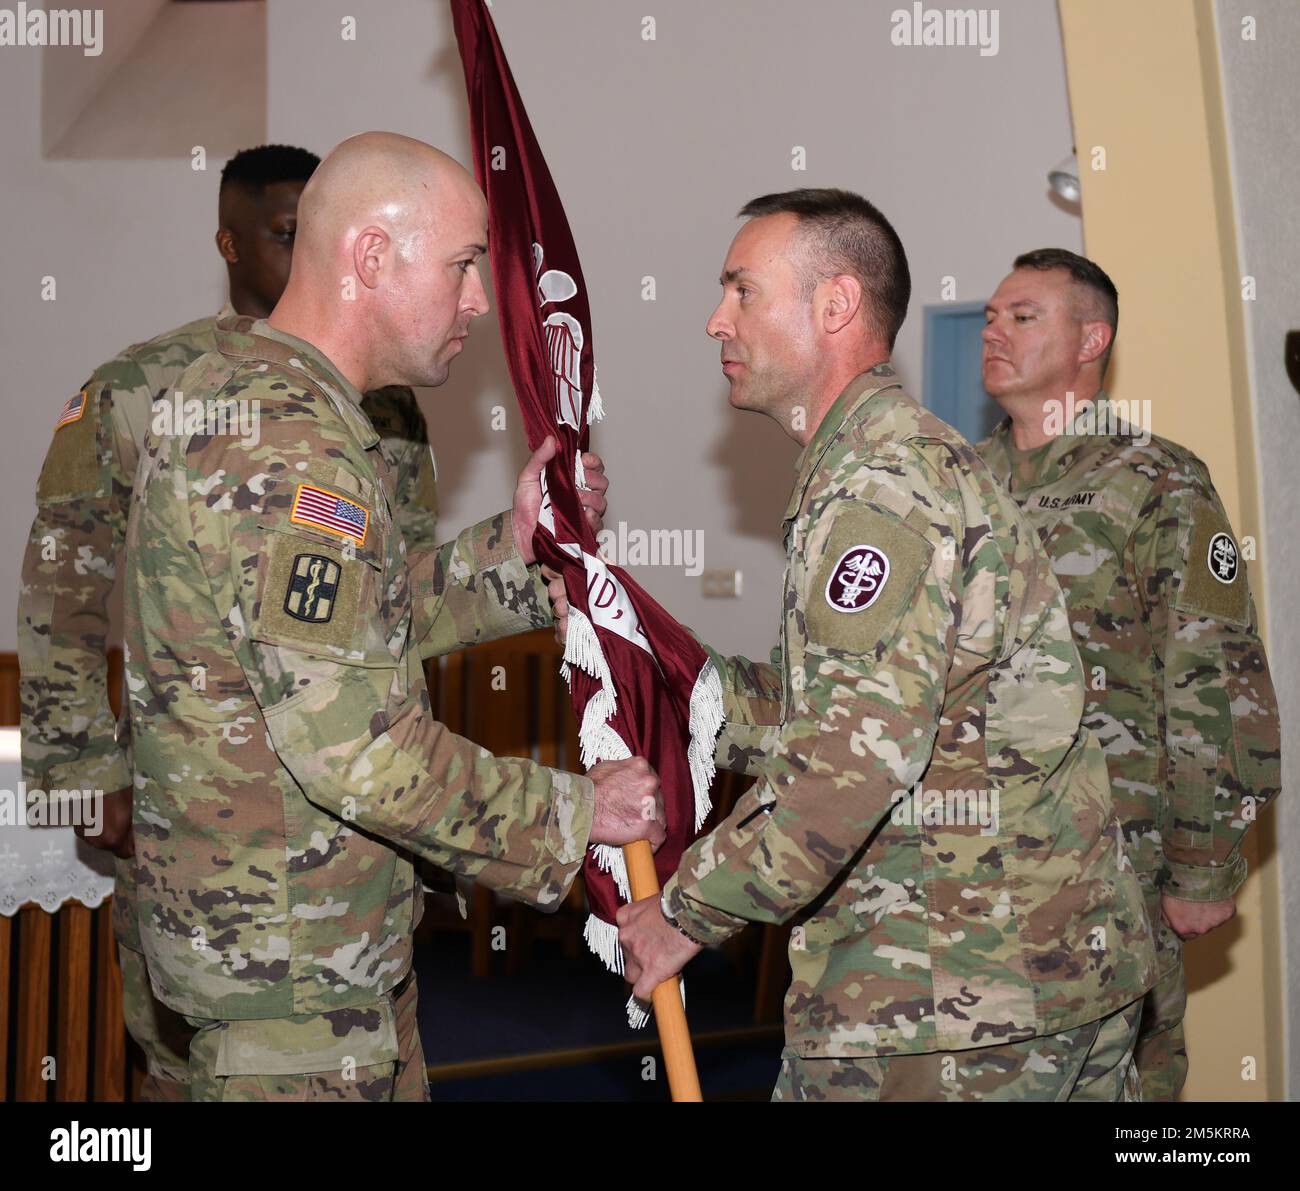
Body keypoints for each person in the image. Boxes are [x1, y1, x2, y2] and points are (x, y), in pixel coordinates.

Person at [122, 131, 664, 1103]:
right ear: (371, 256)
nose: (476, 302)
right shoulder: (294, 447)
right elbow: (357, 751)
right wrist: (580, 811)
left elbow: (356, 629)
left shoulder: (270, 402)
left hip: (310, 958)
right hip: (292, 987)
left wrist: (514, 543)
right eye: (461, 267)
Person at [607, 189, 1156, 1101]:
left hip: (949, 996)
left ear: (835, 307)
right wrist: (662, 668)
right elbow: (840, 707)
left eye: (742, 291)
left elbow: (846, 768)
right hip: (1037, 971)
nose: (716, 321)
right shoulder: (902, 460)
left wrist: (686, 911)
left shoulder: (877, 487)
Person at [17, 143, 441, 1101]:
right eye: (285, 235)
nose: (305, 256)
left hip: (350, 811)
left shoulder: (388, 405)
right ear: (228, 242)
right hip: (206, 806)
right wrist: (85, 775)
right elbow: (63, 585)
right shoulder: (140, 387)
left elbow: (401, 591)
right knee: (184, 1054)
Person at [974, 248, 1282, 1100]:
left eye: (1024, 315)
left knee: (1126, 1087)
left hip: (1118, 857)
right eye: (993, 316)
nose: (994, 330)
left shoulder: (1155, 480)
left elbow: (1215, 679)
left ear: (1091, 338)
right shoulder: (960, 485)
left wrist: (1202, 863)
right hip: (973, 857)